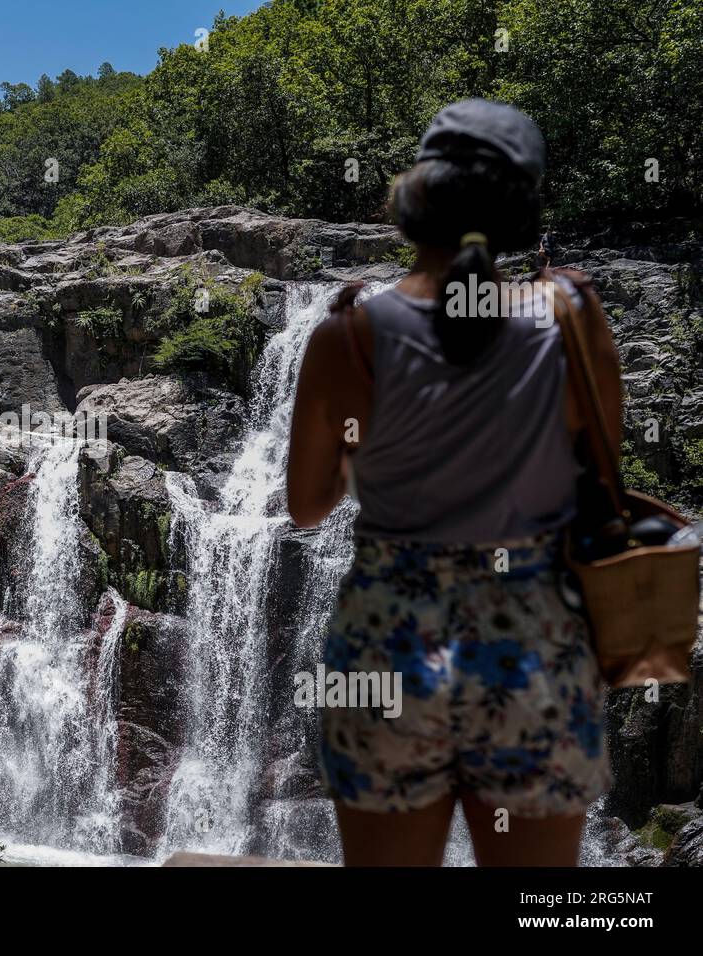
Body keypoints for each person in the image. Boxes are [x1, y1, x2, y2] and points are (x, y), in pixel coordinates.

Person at [286, 99, 623, 866]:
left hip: (388, 648)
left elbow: (308, 507)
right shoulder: (573, 319)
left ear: (416, 196)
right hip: (534, 643)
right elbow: (596, 464)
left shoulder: (351, 335)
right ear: (519, 211)